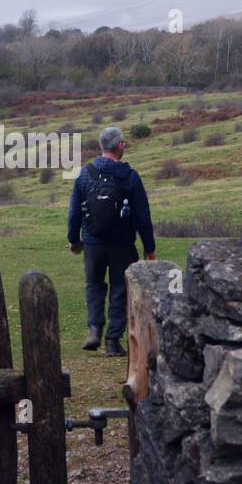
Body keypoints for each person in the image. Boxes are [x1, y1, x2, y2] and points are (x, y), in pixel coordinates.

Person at [66, 126, 155, 356]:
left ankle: (94, 328)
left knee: (94, 286)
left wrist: (74, 240)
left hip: (92, 243)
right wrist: (149, 248)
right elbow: (142, 216)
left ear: (101, 147)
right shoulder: (130, 176)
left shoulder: (85, 174)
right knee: (119, 290)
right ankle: (113, 341)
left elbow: (75, 212)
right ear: (120, 146)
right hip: (122, 244)